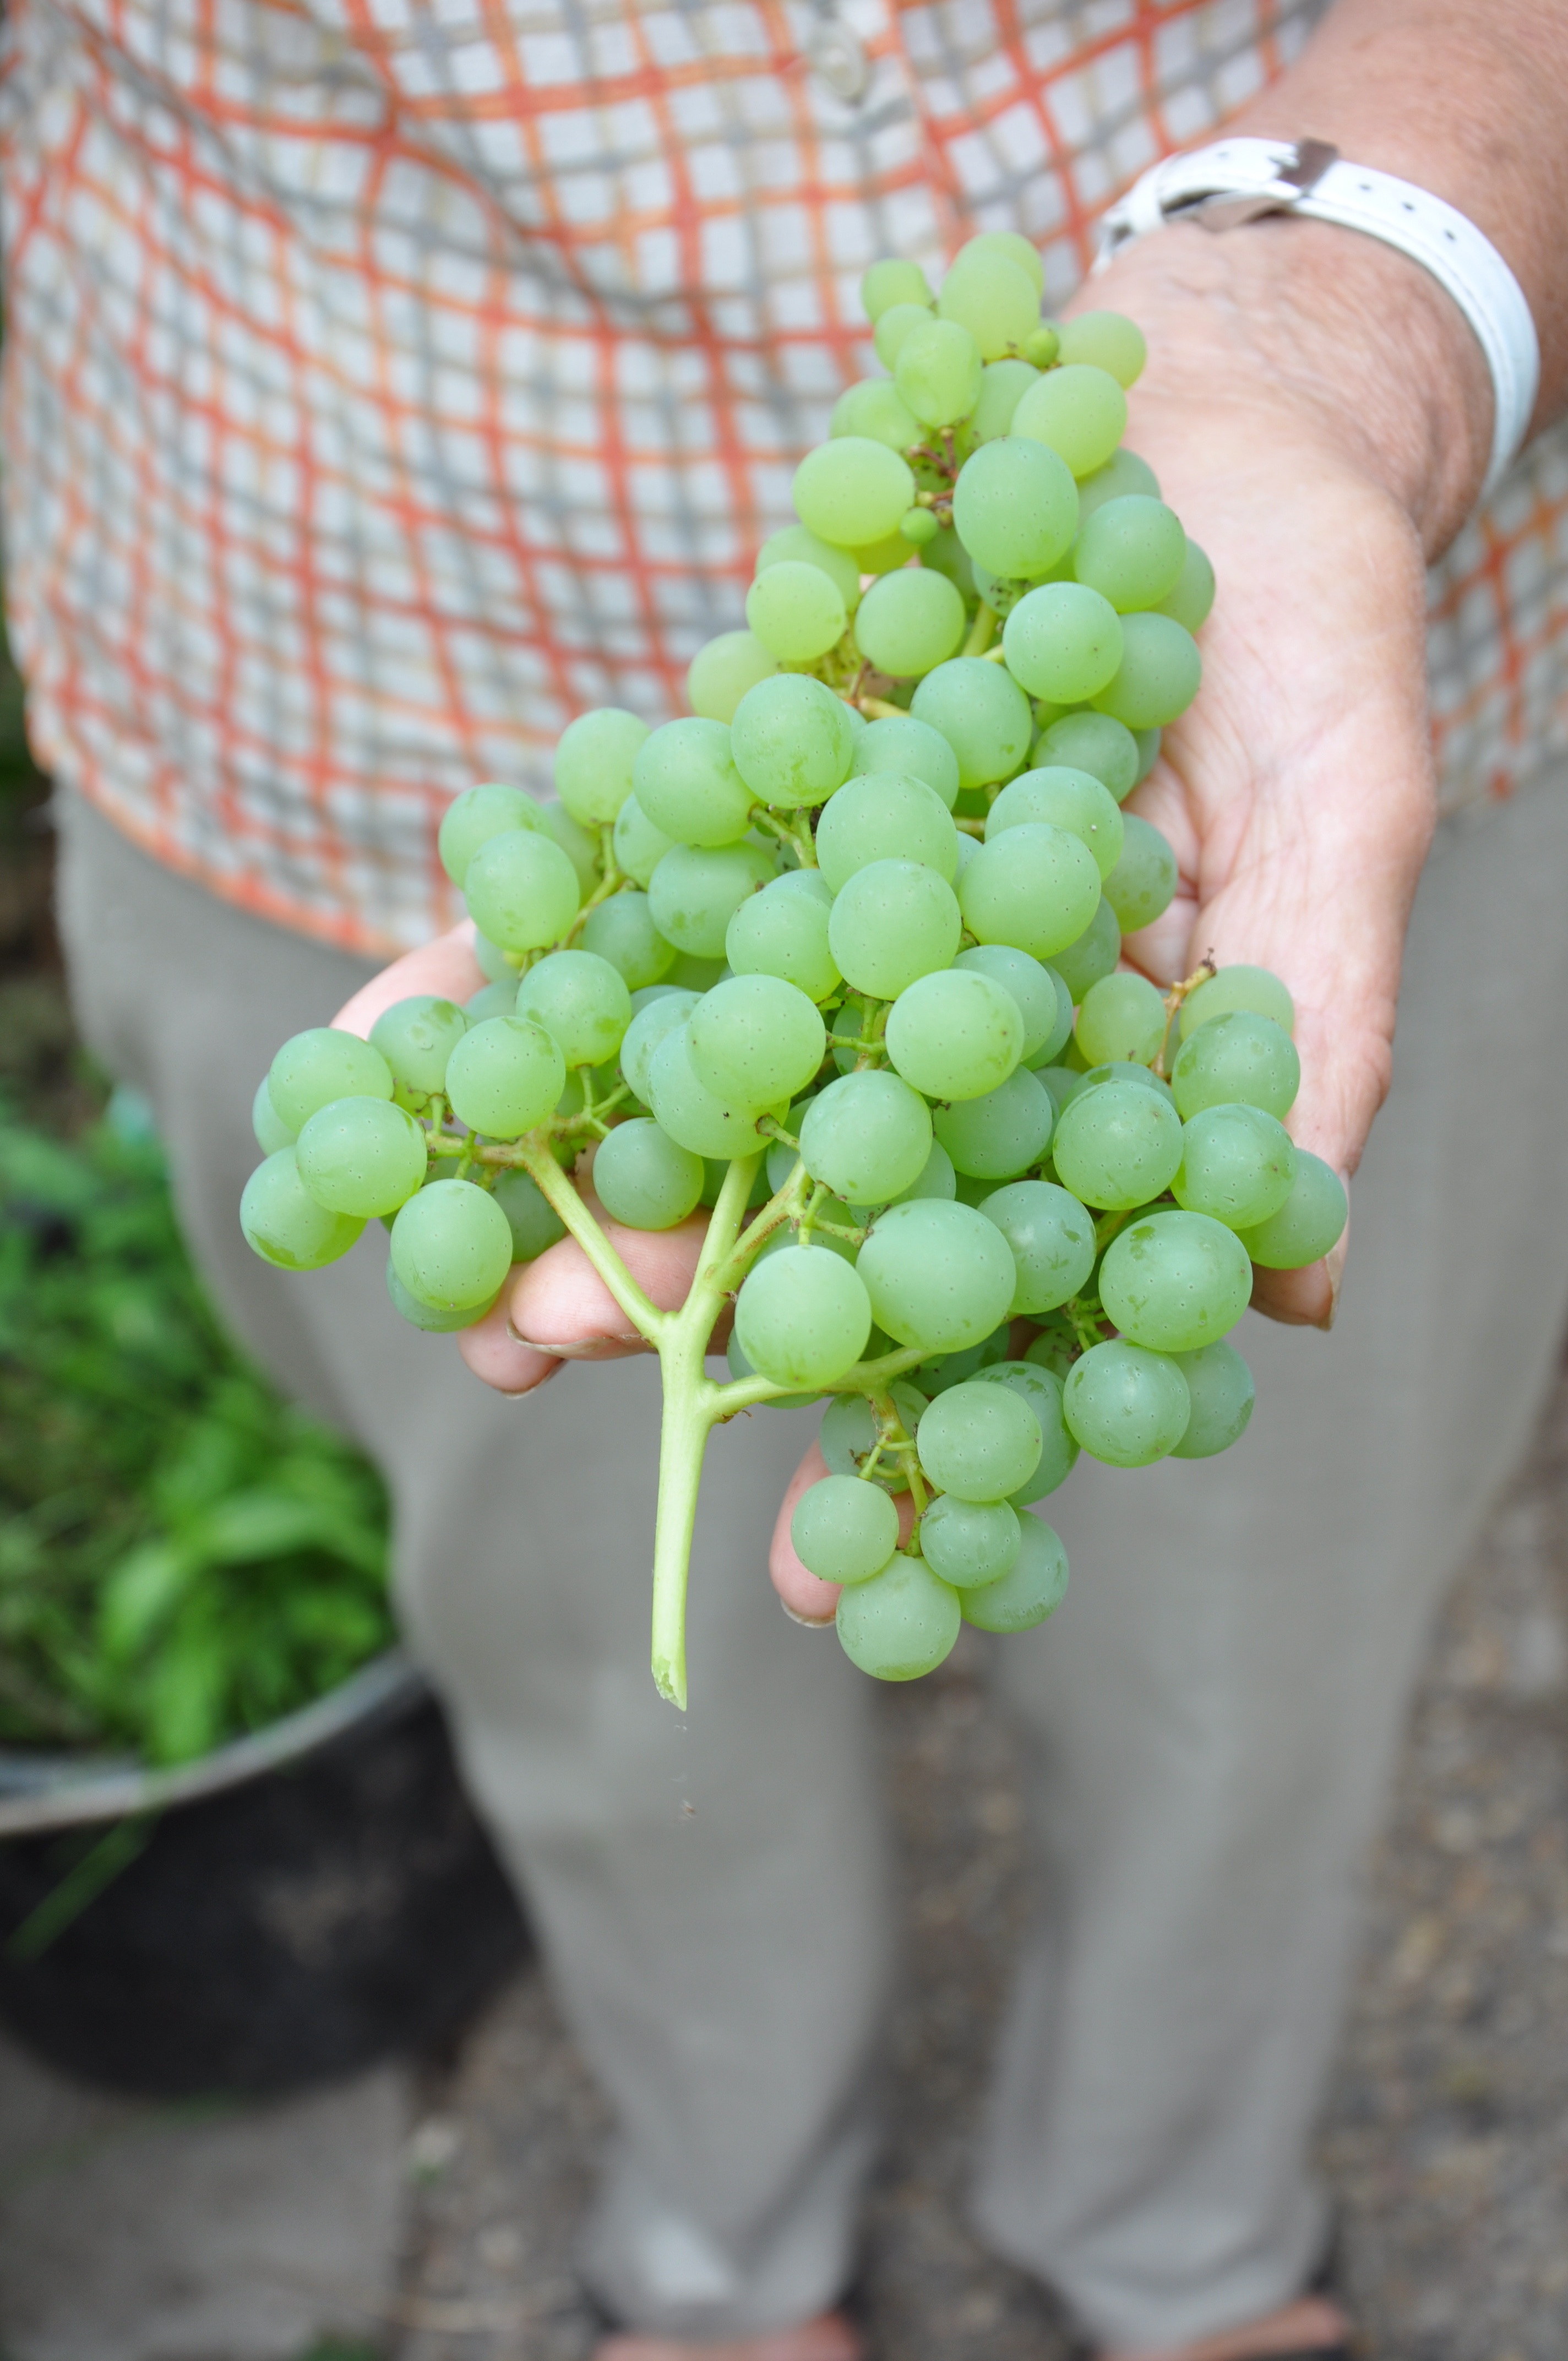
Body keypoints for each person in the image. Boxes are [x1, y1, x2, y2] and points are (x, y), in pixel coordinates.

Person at [6, 0, 1568, 2352]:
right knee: (593, 1694)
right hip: (324, 623)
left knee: (1275, 1659)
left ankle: (1176, 2226)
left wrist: (1360, 310)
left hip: (1313, 634)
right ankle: (730, 2231)